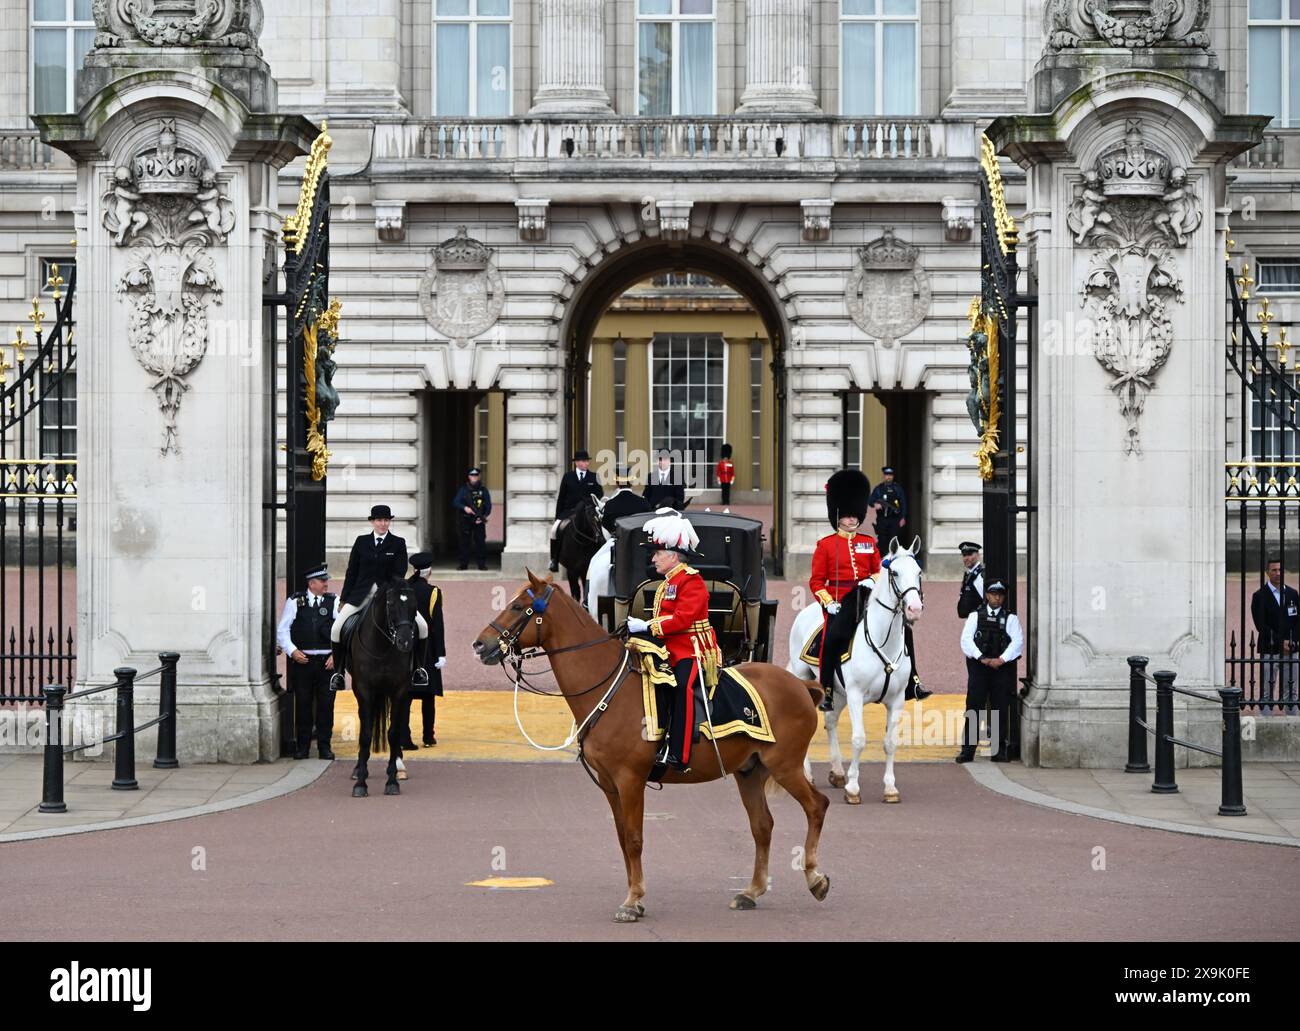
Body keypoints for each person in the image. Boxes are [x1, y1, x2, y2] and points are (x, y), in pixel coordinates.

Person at [626, 509, 721, 775]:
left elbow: (681, 620)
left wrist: (647, 625)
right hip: (669, 648)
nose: (654, 558)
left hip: (692, 650)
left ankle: (679, 752)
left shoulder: (691, 581)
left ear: (673, 555)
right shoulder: (669, 581)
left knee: (682, 689)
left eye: (658, 553)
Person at [329, 504, 428, 690]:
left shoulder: (398, 543)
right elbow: (352, 572)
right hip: (361, 594)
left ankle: (418, 669)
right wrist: (344, 599)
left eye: (386, 520)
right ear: (372, 522)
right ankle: (339, 672)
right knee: (336, 628)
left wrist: (388, 590)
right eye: (379, 520)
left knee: (423, 626)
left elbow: (399, 572)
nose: (383, 524)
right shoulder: (361, 542)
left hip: (388, 595)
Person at [810, 470, 881, 711]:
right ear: (838, 517)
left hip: (868, 597)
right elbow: (817, 582)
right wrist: (828, 602)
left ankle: (912, 680)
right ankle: (827, 691)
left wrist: (873, 580)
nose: (852, 520)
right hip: (840, 600)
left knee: (903, 628)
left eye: (855, 516)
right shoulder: (826, 545)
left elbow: (878, 569)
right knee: (831, 640)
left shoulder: (869, 542)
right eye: (847, 516)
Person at [276, 564, 340, 760]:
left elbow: (343, 630)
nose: (326, 584)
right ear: (312, 584)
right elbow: (283, 630)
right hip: (303, 662)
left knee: (326, 705)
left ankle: (324, 746)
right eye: (322, 581)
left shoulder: (333, 601)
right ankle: (302, 747)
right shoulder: (296, 601)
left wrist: (336, 655)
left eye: (326, 581)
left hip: (326, 663)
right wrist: (292, 651)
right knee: (303, 704)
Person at [956, 579, 1023, 763]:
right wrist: (982, 658)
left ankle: (998, 750)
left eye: (1000, 594)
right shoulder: (975, 616)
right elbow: (966, 640)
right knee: (974, 707)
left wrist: (1001, 659)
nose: (997, 598)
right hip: (980, 667)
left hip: (1000, 668)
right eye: (994, 594)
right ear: (987, 595)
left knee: (999, 708)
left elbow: (1017, 642)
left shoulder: (1010, 618)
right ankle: (967, 750)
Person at [398, 552, 447, 748]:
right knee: (428, 697)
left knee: (405, 696)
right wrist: (441, 653)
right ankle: (428, 736)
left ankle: (404, 737)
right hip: (427, 650)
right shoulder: (433, 592)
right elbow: (438, 625)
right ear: (430, 571)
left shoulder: (403, 589)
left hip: (405, 649)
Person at [1250, 558, 1300, 716]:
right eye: (1274, 570)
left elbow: (1298, 621)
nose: (1278, 573)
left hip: (1291, 649)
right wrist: (1281, 642)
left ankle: (1293, 723)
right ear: (1267, 573)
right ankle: (1264, 721)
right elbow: (1261, 625)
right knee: (1266, 689)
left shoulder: (1293, 593)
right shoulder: (1259, 596)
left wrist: (1292, 641)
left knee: (1291, 691)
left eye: (1280, 570)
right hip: (1270, 647)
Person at [550, 450, 603, 572]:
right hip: (569, 512)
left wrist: (589, 503)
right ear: (577, 463)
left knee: (599, 531)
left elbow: (600, 494)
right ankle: (554, 560)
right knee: (554, 530)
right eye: (583, 461)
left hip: (587, 512)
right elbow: (561, 497)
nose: (586, 463)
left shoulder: (595, 477)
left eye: (587, 461)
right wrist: (558, 516)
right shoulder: (568, 477)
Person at [453, 467, 492, 571]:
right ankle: (463, 564)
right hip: (466, 519)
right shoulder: (464, 490)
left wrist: (484, 516)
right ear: (469, 477)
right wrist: (465, 508)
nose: (474, 477)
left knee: (480, 542)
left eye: (476, 476)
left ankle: (481, 564)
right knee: (464, 542)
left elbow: (488, 505)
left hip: (479, 520)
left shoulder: (483, 490)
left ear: (478, 477)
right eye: (472, 475)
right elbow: (456, 502)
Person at [870, 466, 908, 547]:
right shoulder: (879, 489)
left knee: (894, 541)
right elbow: (870, 500)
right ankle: (883, 558)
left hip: (895, 519)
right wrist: (875, 504)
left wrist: (903, 517)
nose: (889, 477)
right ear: (884, 476)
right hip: (882, 519)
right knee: (882, 541)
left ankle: (892, 559)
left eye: (890, 475)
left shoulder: (898, 489)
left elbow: (903, 503)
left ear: (893, 476)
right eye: (887, 475)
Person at [957, 541, 984, 619]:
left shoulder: (980, 575)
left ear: (978, 555)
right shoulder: (970, 574)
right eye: (964, 555)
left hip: (979, 620)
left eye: (970, 554)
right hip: (971, 619)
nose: (966, 558)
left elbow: (988, 601)